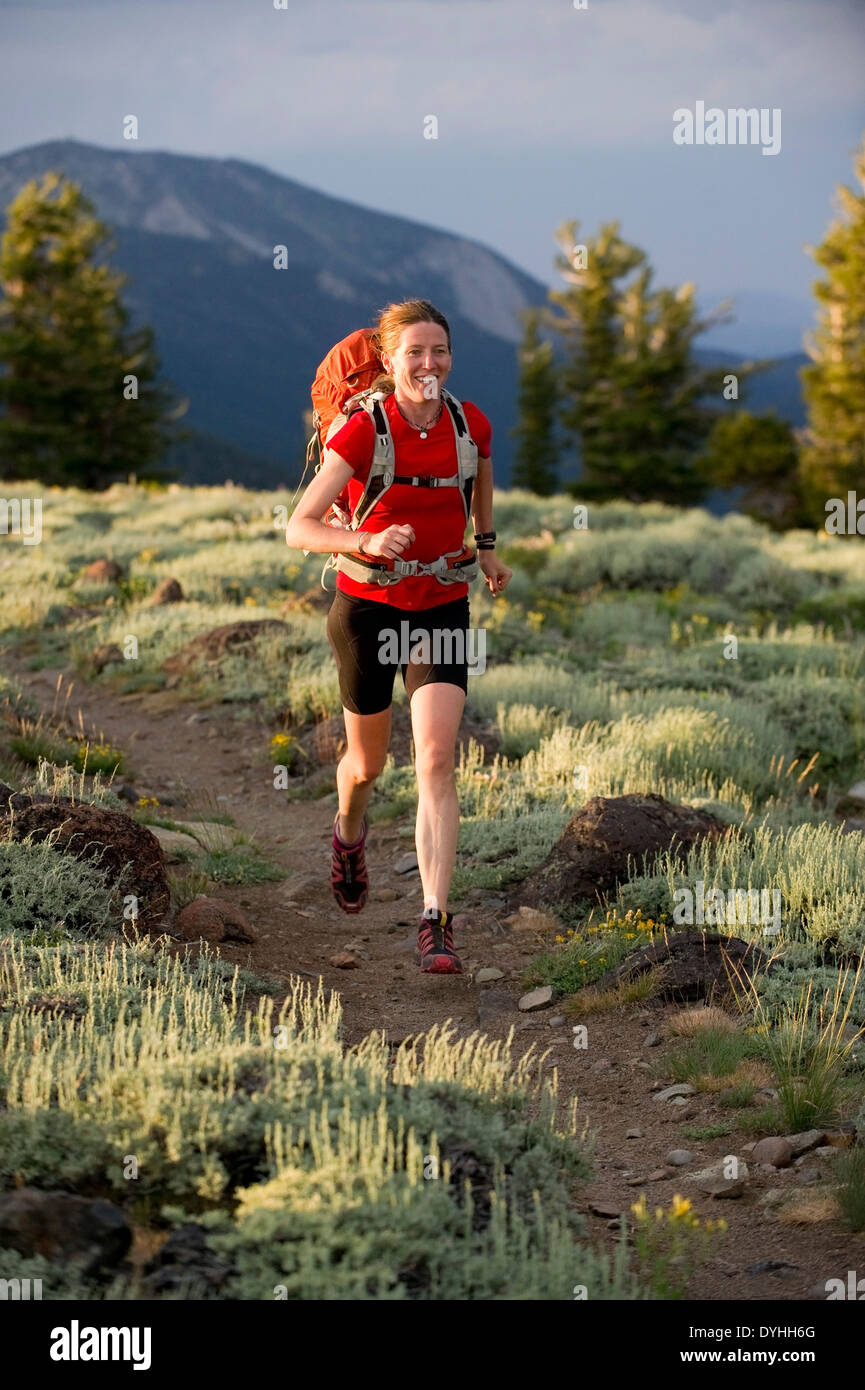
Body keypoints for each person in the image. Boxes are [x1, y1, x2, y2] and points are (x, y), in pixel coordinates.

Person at [285, 298, 512, 974]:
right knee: (367, 766)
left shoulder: (470, 424)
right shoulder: (360, 431)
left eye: (438, 350)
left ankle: (435, 919)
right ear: (389, 362)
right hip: (366, 608)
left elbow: (479, 484)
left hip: (441, 603)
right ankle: (348, 828)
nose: (429, 363)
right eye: (414, 352)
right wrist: (365, 537)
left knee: (439, 760)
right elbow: (299, 527)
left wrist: (489, 550)